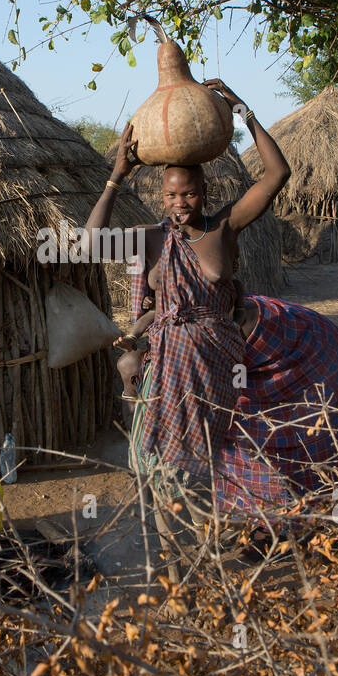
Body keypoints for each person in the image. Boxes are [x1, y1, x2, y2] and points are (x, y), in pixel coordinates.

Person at [86, 78, 292, 516]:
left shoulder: (225, 227)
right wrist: (117, 177)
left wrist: (243, 109)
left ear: (205, 193)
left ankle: (208, 530)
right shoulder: (154, 239)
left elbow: (277, 175)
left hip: (217, 362)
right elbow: (91, 244)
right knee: (162, 461)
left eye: (190, 193)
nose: (181, 203)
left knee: (212, 454)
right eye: (171, 195)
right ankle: (173, 535)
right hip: (170, 362)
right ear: (162, 197)